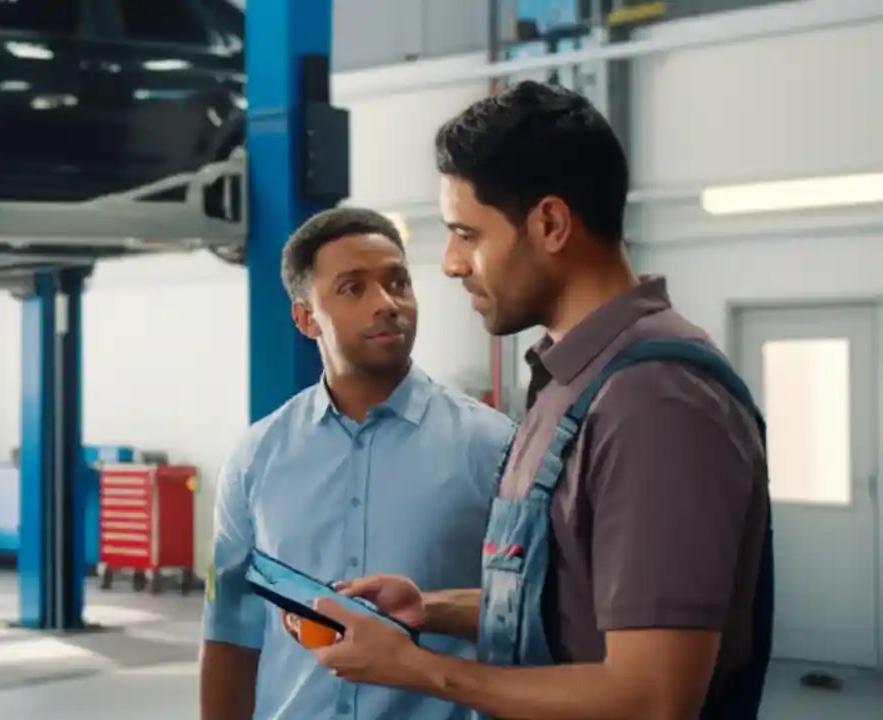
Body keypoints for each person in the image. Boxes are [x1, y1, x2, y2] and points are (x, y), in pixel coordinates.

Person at [304, 81, 773, 720]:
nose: (450, 264)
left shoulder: (656, 404)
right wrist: (428, 609)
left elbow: (652, 698)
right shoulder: (575, 381)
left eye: (467, 234)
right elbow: (575, 606)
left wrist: (417, 668)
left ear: (550, 223)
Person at [199, 206, 515, 720]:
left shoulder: (493, 446)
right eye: (354, 288)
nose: (388, 304)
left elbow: (534, 611)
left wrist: (436, 610)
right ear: (305, 318)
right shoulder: (256, 457)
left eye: (398, 283)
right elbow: (230, 631)